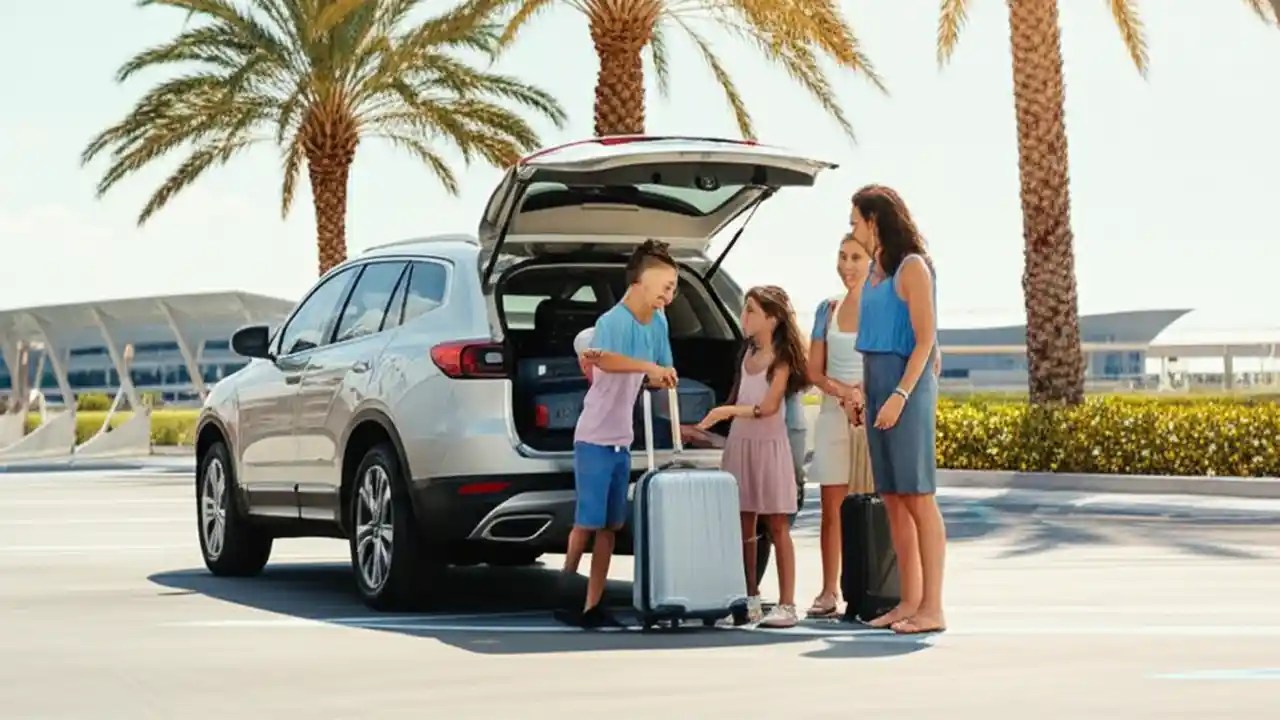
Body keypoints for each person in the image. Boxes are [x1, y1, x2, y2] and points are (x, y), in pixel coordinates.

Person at [555, 241, 679, 629]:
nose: (667, 294)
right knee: (587, 523)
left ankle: (594, 604)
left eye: (673, 287)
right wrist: (646, 366)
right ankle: (566, 591)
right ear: (639, 283)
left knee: (611, 526)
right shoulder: (611, 322)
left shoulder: (658, 322)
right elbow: (602, 358)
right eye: (663, 285)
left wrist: (662, 376)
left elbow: (661, 367)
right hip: (593, 436)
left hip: (622, 439)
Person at [849, 184, 947, 635]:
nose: (852, 230)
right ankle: (908, 601)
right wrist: (865, 391)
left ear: (874, 220)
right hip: (876, 384)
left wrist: (899, 396)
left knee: (918, 495)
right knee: (891, 497)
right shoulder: (872, 271)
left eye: (855, 221)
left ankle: (933, 608)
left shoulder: (912, 268)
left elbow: (925, 340)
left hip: (905, 390)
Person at [697, 285, 809, 628]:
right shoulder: (745, 354)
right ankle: (750, 598)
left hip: (769, 449)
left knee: (777, 524)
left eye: (751, 311)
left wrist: (724, 411)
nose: (743, 317)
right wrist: (700, 430)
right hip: (740, 447)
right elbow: (740, 398)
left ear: (772, 319)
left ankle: (788, 604)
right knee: (743, 524)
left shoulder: (782, 360)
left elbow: (768, 407)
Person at [804, 232, 875, 619]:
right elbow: (814, 370)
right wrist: (844, 394)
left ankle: (874, 585)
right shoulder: (826, 309)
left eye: (856, 257)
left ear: (872, 261)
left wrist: (862, 397)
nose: (847, 265)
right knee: (832, 509)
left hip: (872, 417)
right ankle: (829, 591)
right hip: (834, 416)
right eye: (843, 256)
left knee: (877, 507)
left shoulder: (883, 307)